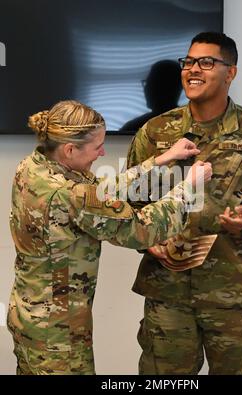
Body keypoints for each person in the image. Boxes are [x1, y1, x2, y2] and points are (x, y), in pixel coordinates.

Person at [126, 32, 242, 375]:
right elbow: (128, 202)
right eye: (188, 62)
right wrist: (149, 240)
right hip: (168, 294)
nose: (193, 69)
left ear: (230, 72)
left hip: (233, 296)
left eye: (206, 62)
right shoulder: (156, 132)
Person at [7, 100, 212, 375]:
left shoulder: (32, 167)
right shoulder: (72, 194)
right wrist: (188, 188)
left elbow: (97, 194)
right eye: (97, 147)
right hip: (58, 336)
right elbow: (141, 229)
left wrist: (160, 160)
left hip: (27, 315)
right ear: (69, 149)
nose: (102, 153)